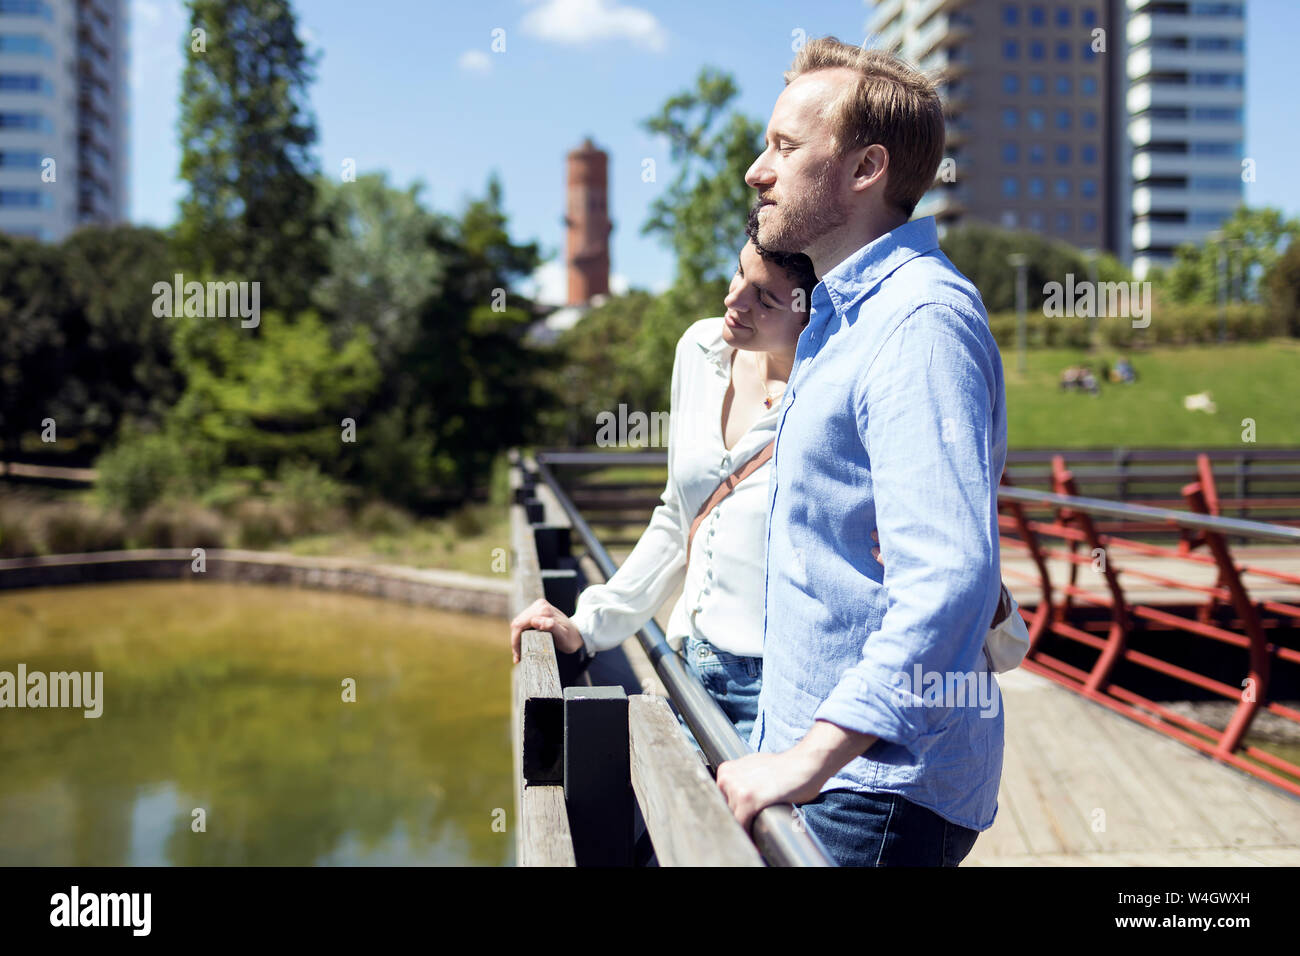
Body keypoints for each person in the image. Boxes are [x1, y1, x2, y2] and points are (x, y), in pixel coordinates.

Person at [715, 38, 1008, 867]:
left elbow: (951, 575)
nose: (755, 171)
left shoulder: (918, 322)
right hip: (840, 778)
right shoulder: (843, 320)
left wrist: (811, 759)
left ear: (865, 169)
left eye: (783, 146)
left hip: (872, 792)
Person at [509, 229, 816, 739]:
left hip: (784, 692)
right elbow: (679, 517)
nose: (733, 300)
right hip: (688, 665)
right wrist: (589, 626)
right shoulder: (700, 348)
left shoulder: (835, 391)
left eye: (765, 298)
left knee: (752, 824)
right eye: (740, 272)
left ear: (812, 308)